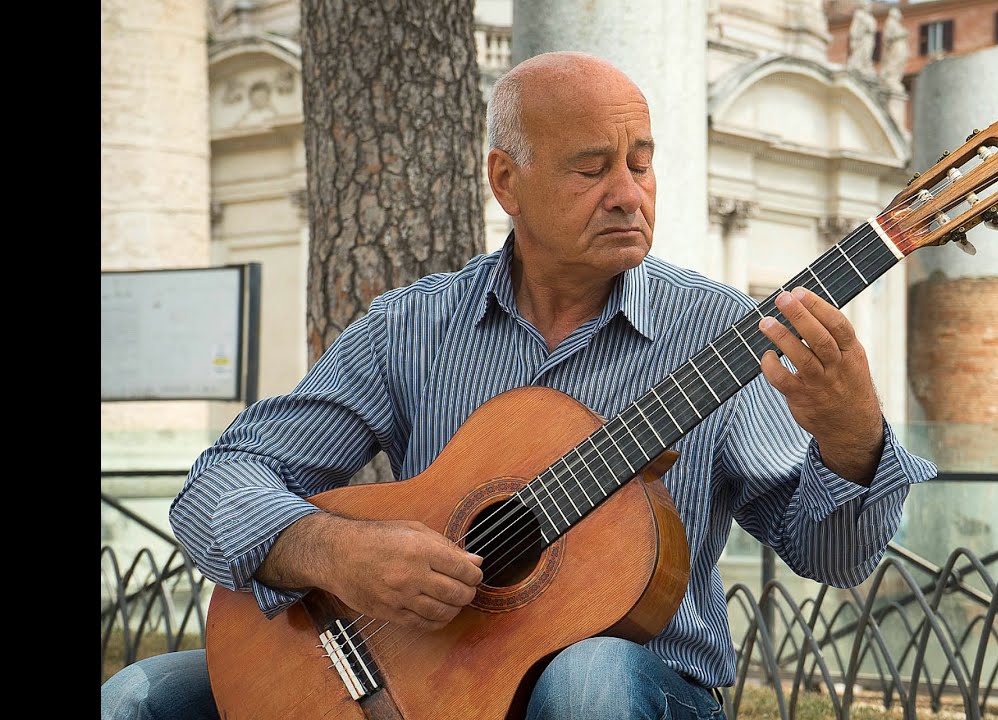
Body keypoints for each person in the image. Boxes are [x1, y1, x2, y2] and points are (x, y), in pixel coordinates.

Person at [101, 50, 937, 720]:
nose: (628, 194)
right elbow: (217, 484)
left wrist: (852, 436)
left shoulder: (726, 334)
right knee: (136, 698)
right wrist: (334, 552)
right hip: (406, 665)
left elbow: (835, 558)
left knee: (591, 678)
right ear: (507, 182)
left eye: (642, 165)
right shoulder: (415, 327)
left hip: (641, 691)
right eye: (591, 168)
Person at [879, 7, 909, 93]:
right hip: (896, 47)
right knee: (895, 62)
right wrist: (900, 34)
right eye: (899, 14)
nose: (900, 16)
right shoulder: (890, 23)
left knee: (900, 63)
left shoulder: (896, 24)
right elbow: (887, 37)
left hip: (900, 46)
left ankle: (894, 79)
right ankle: (890, 78)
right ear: (894, 14)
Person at [846, 0, 877, 76]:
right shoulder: (859, 15)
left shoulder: (870, 17)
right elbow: (854, 28)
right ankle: (858, 65)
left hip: (869, 38)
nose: (869, 7)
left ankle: (865, 65)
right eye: (867, 6)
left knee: (867, 52)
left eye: (869, 6)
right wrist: (854, 37)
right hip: (861, 38)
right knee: (860, 52)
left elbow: (873, 28)